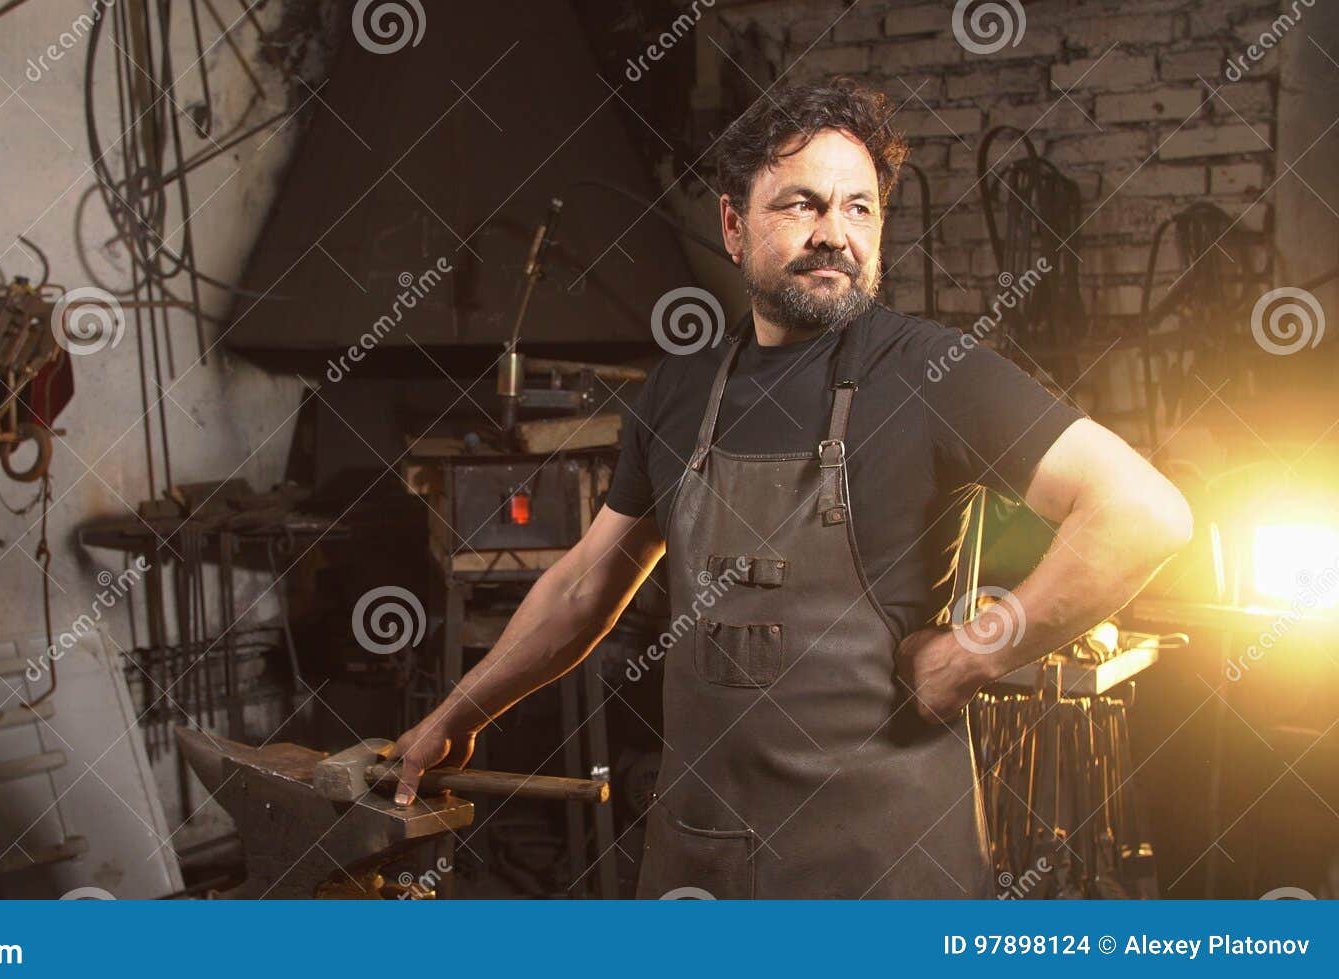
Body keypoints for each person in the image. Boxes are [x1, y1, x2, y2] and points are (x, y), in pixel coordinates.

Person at [390, 78, 1193, 898]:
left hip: (884, 879)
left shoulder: (930, 373)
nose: (834, 235)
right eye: (802, 206)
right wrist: (461, 713)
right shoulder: (678, 392)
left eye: (859, 210)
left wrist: (973, 652)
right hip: (704, 866)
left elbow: (1143, 513)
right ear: (734, 226)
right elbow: (587, 584)